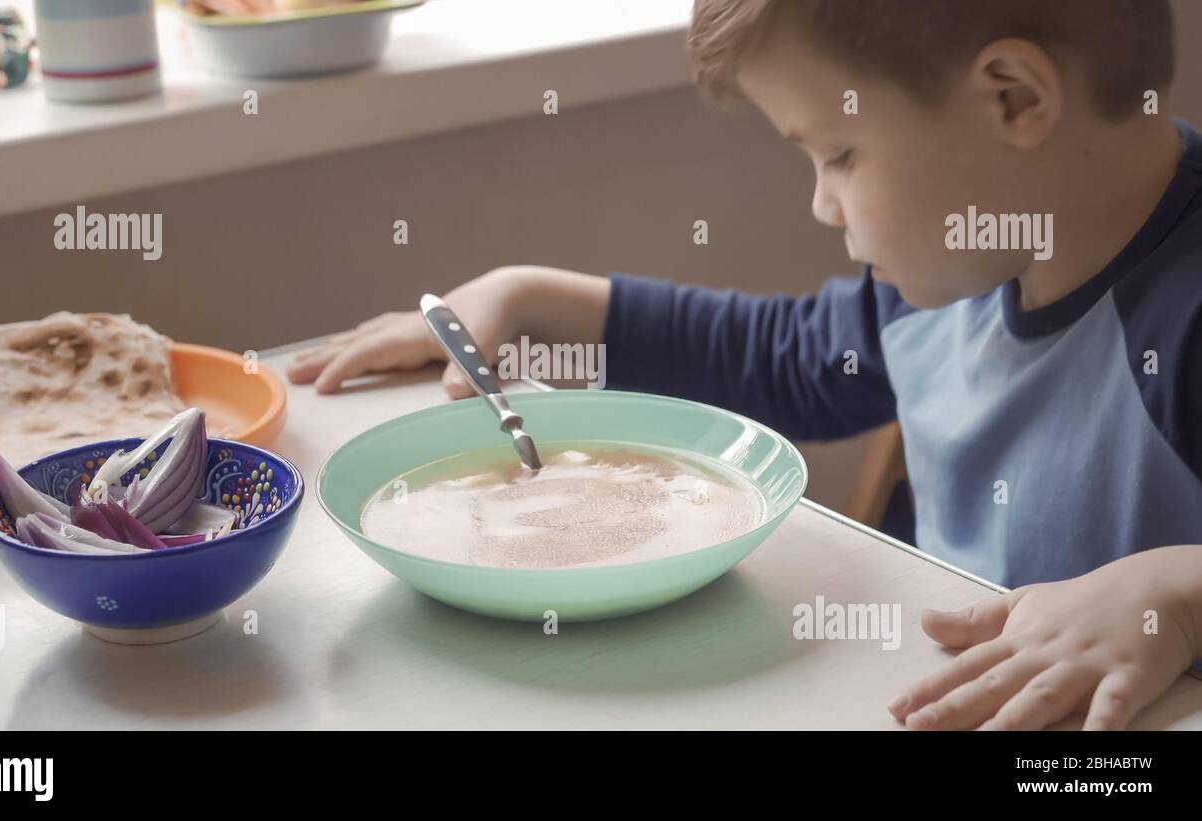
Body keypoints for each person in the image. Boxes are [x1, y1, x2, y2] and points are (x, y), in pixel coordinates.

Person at [289, 0, 1202, 730]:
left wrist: (1179, 594)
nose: (820, 204)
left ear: (1013, 98)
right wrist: (528, 300)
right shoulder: (949, 279)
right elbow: (786, 360)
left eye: (840, 155)